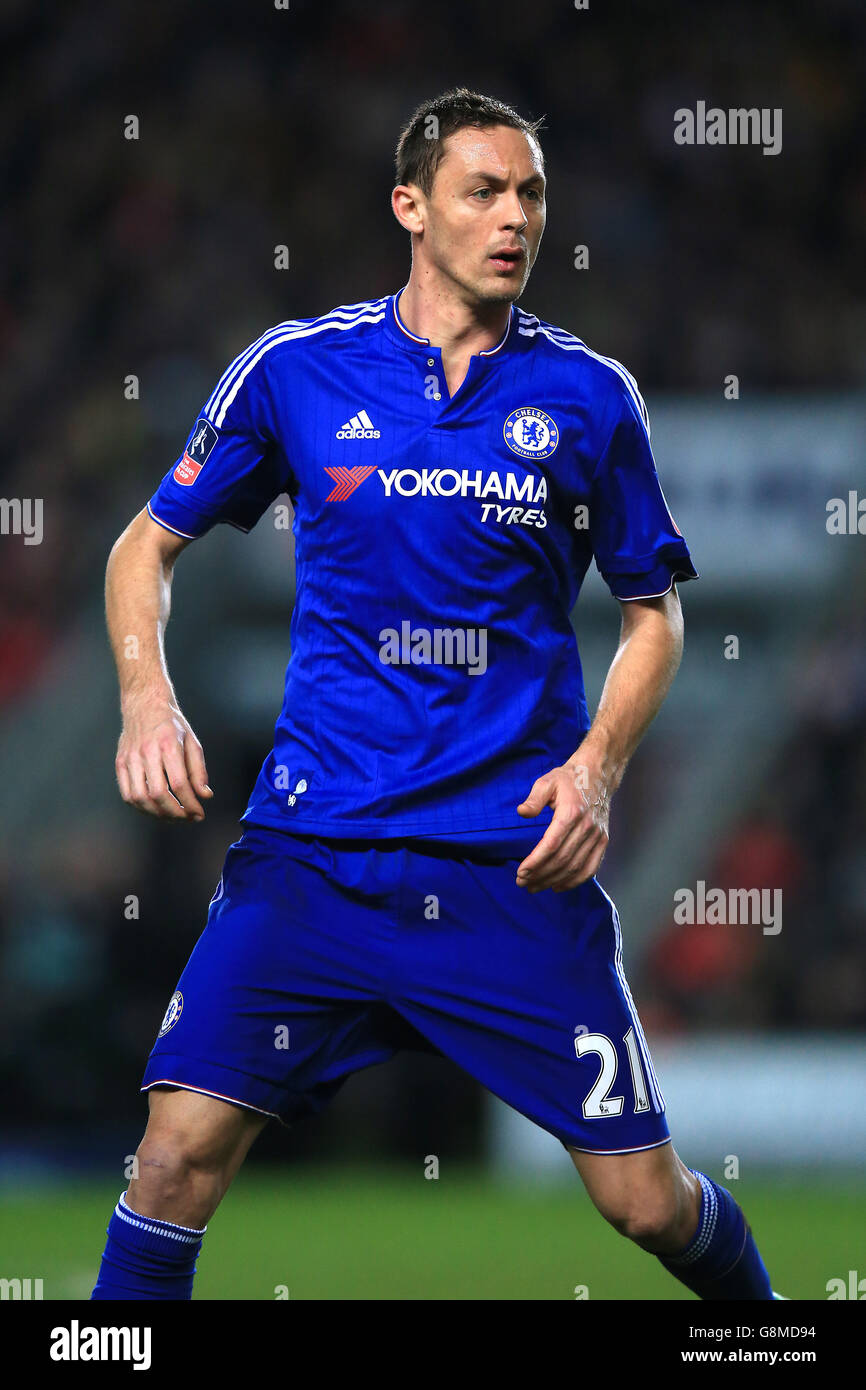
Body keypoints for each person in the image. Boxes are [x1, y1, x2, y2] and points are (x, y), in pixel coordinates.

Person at [93, 88, 780, 1301]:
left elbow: (651, 614)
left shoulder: (587, 398)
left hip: (507, 865)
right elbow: (145, 544)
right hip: (315, 853)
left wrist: (597, 769)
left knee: (644, 1202)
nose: (514, 218)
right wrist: (149, 702)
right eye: (483, 192)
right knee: (172, 1158)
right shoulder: (297, 370)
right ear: (411, 207)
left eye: (529, 195)